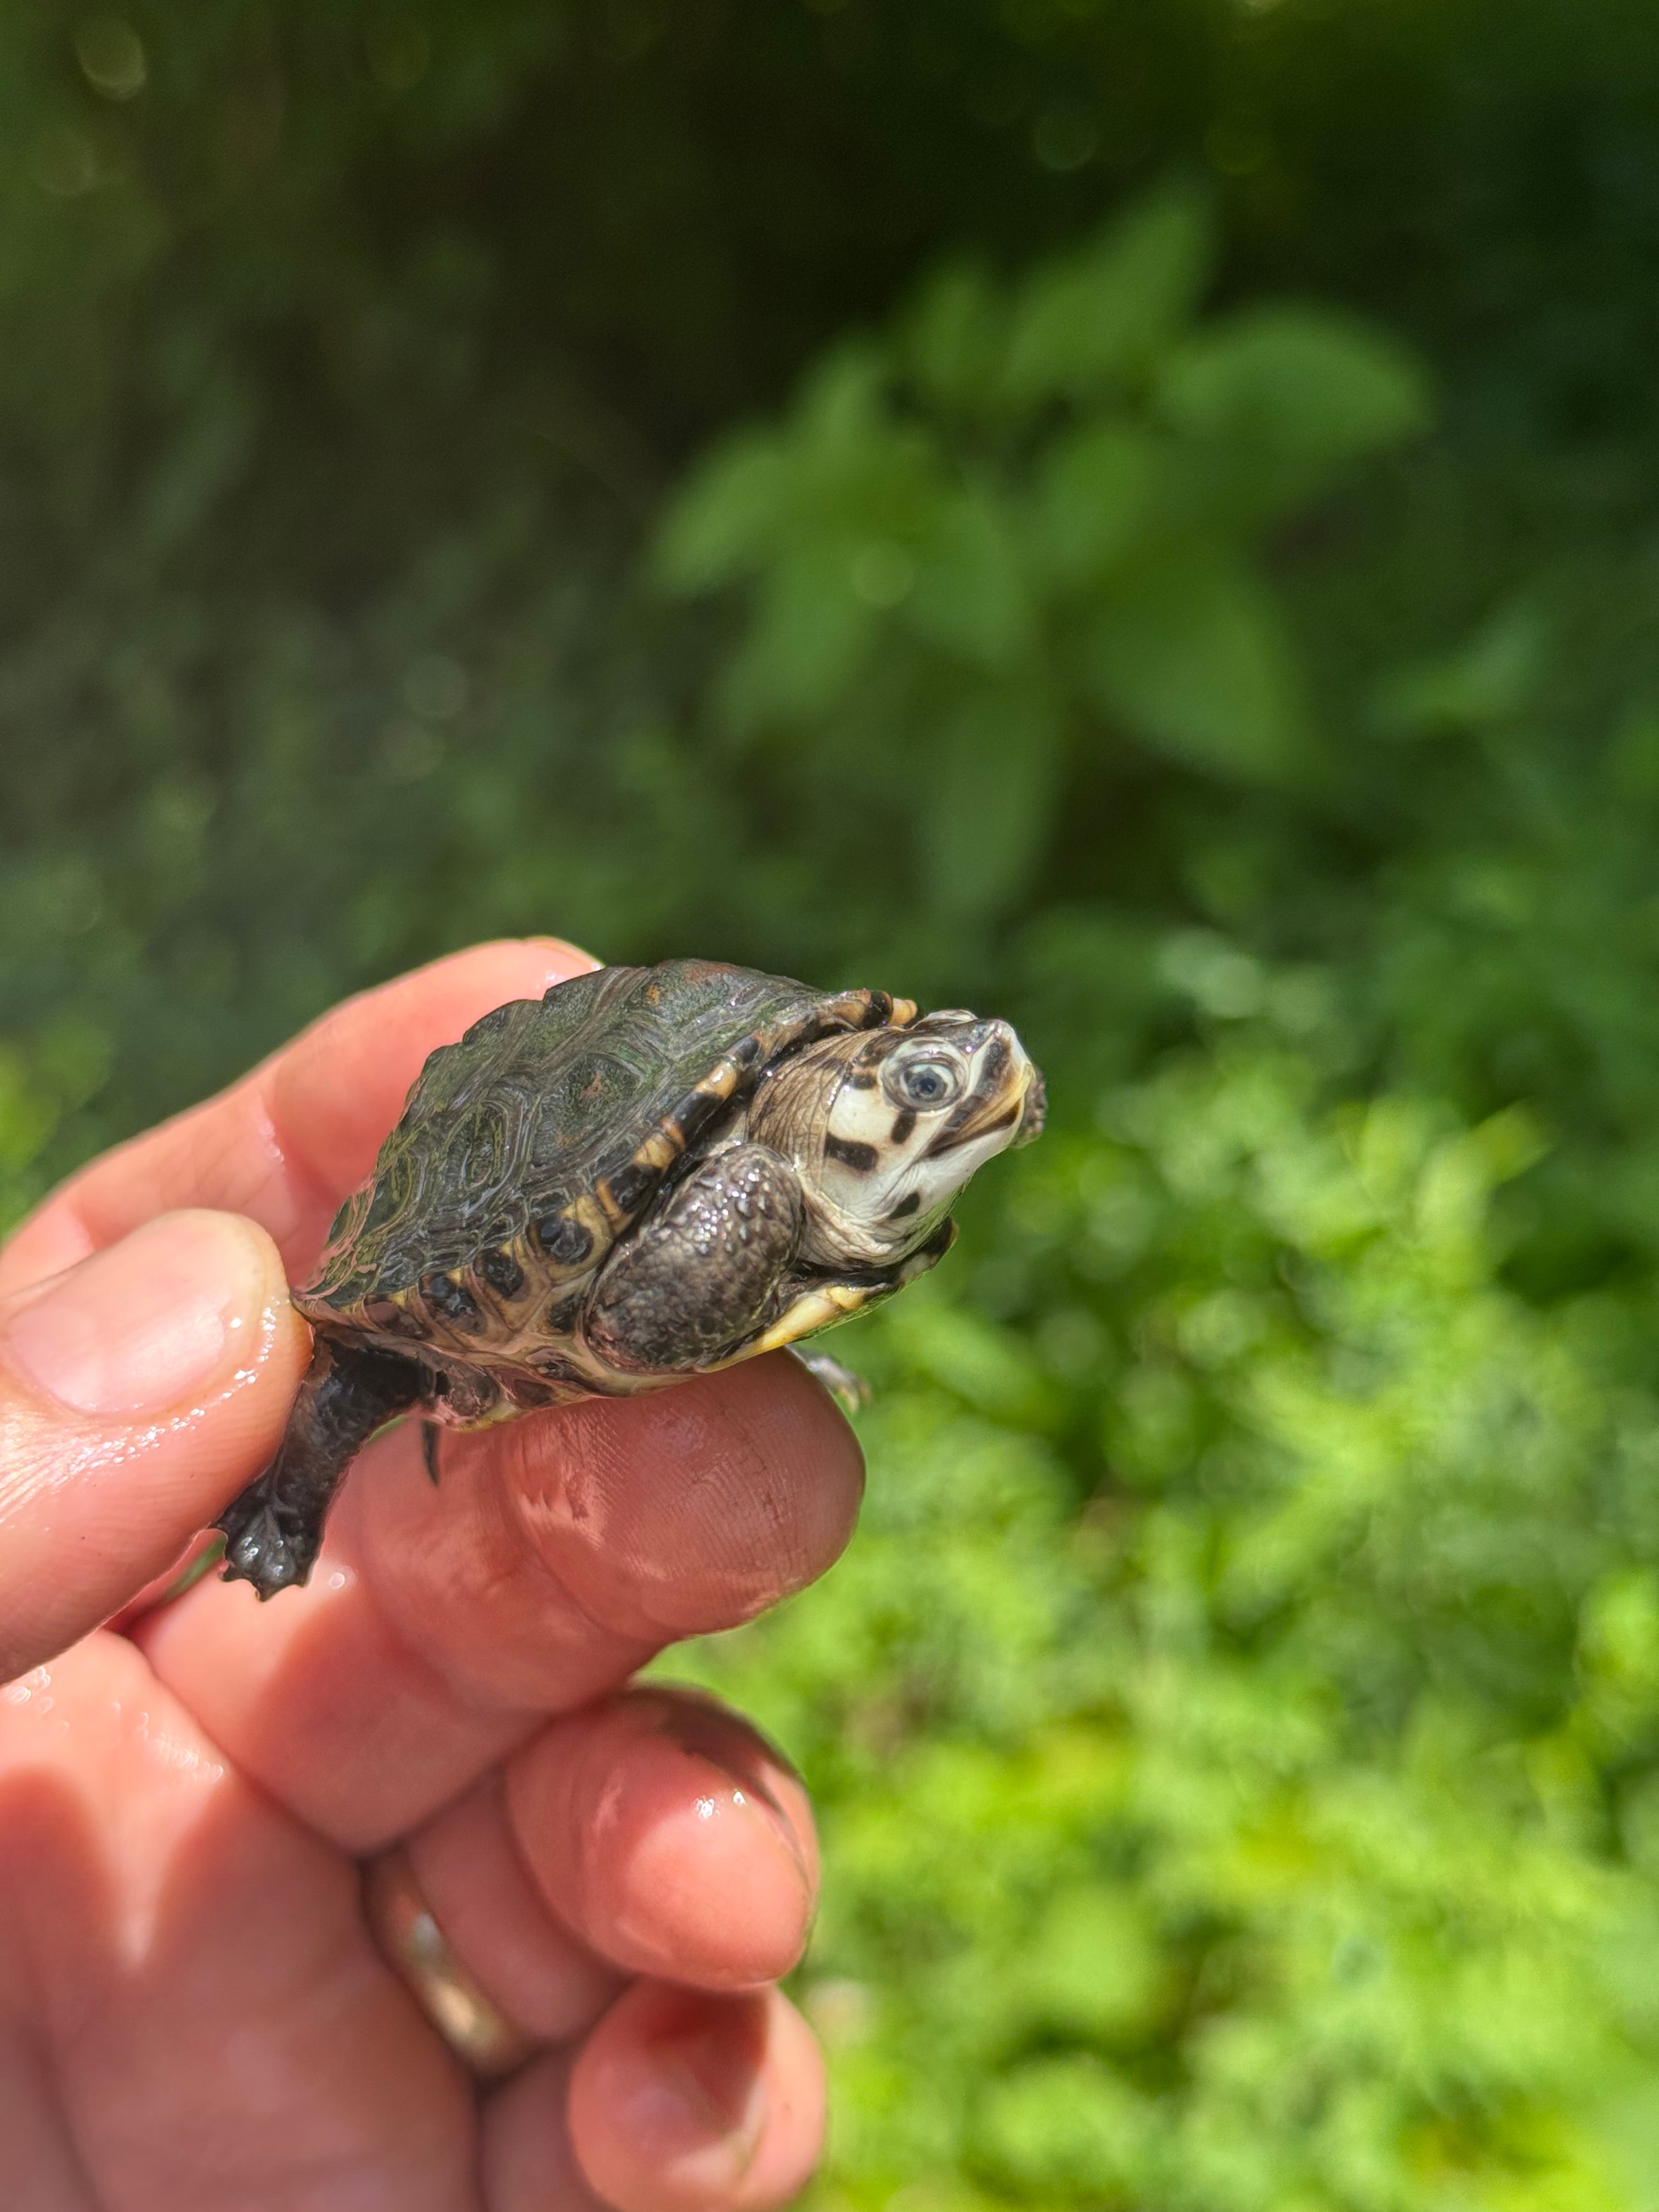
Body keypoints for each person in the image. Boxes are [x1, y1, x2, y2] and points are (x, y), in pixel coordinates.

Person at [0, 940, 860, 2211]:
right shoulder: (744, 1154)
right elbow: (642, 1303)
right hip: (491, 1263)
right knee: (359, 1377)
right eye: (934, 1078)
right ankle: (286, 1501)